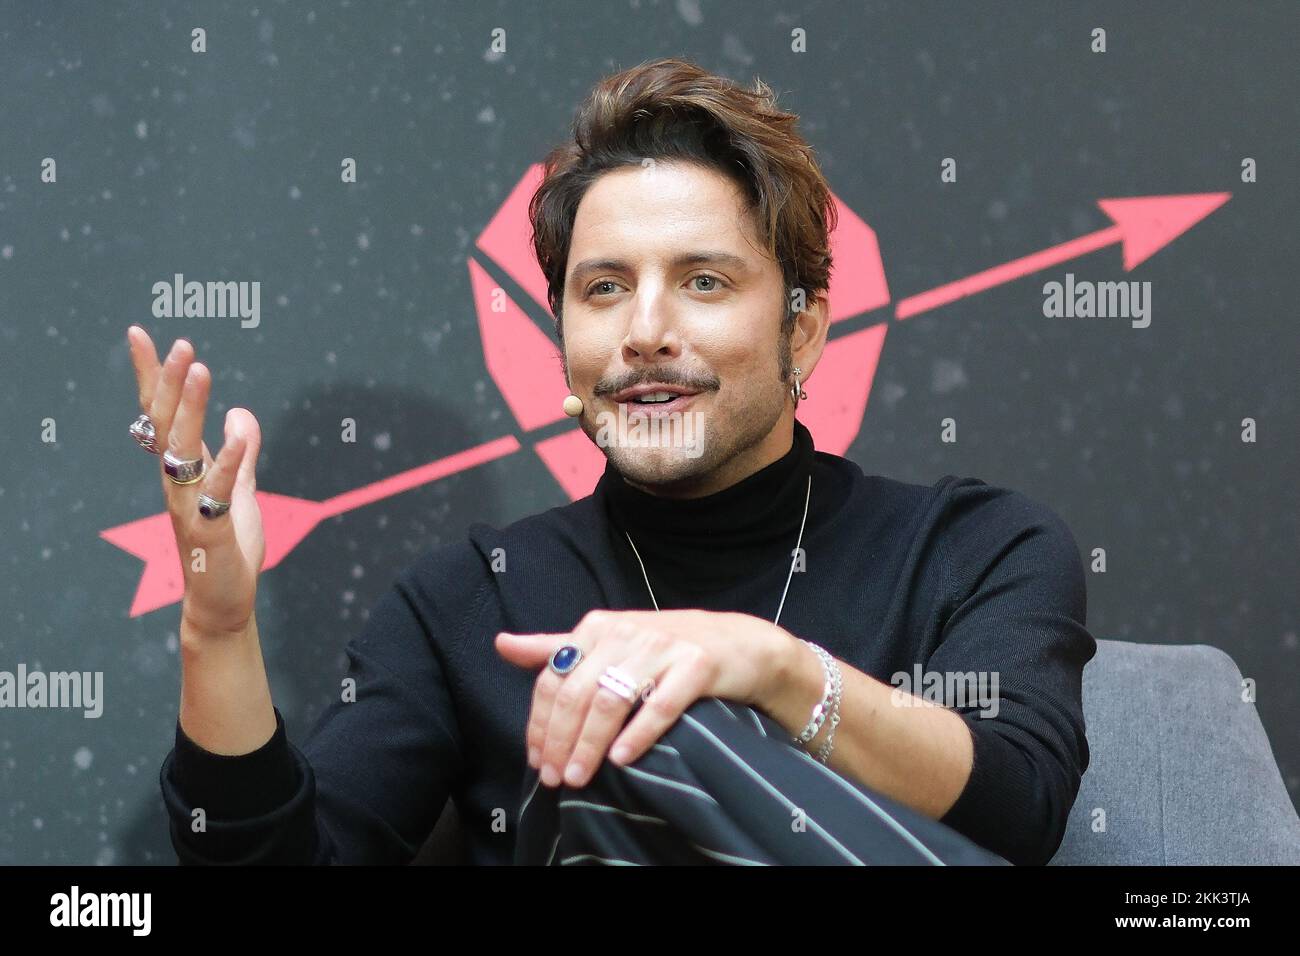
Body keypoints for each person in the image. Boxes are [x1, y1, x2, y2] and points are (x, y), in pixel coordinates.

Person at [134, 57, 1094, 866]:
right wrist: (218, 632)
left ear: (802, 334)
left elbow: (1019, 806)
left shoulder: (972, 547)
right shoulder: (474, 601)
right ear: (561, 337)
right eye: (602, 289)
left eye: (703, 281)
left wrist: (769, 668)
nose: (644, 331)